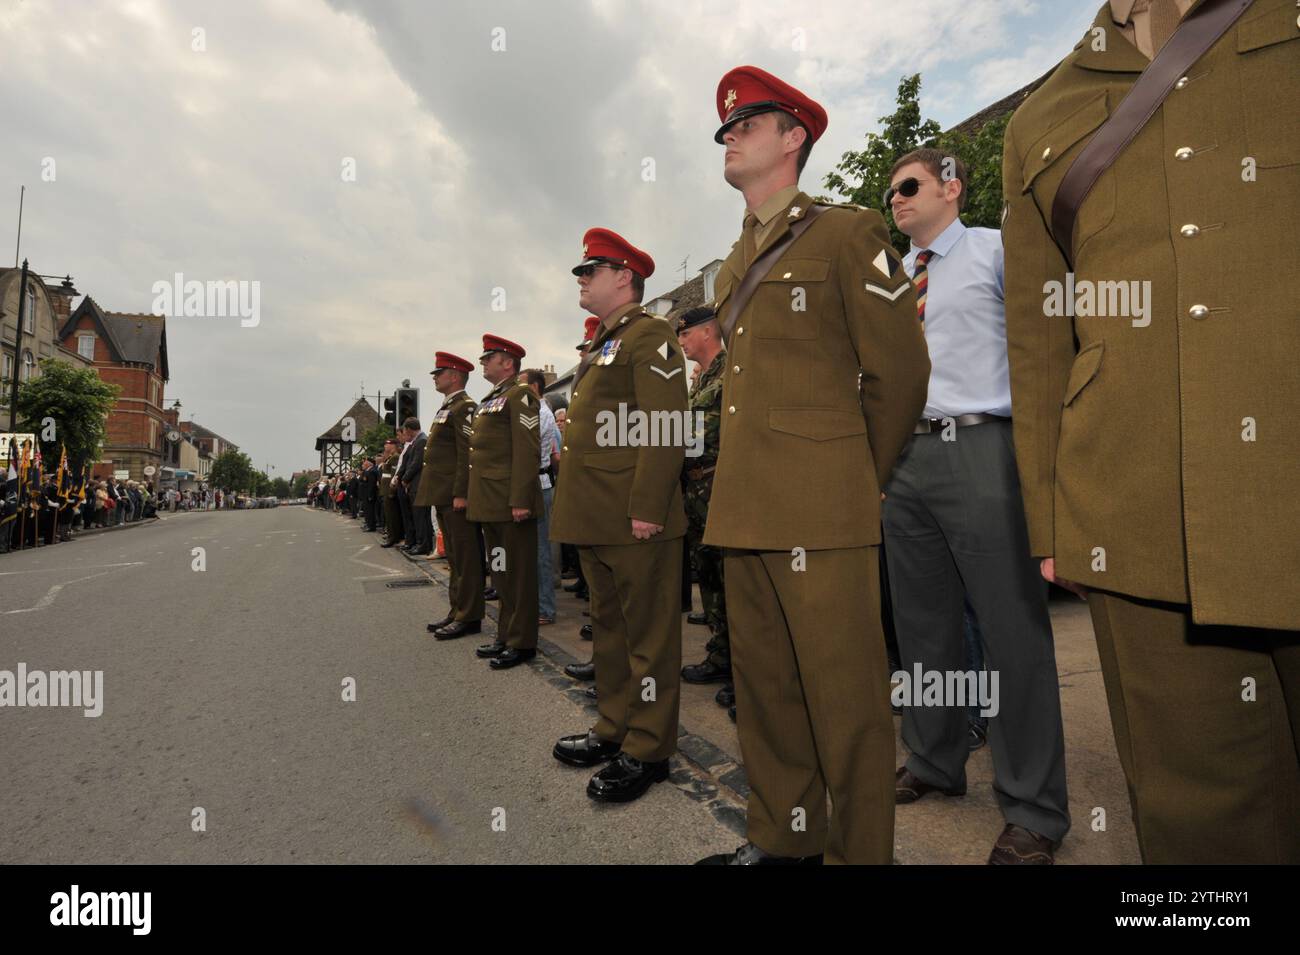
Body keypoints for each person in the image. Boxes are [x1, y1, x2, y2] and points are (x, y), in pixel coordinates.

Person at [1002, 0, 1299, 864]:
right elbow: (1040, 336)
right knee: (1196, 825)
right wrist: (1054, 520)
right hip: (1135, 501)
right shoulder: (1042, 114)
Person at [697, 66, 930, 865]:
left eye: (747, 123)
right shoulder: (735, 261)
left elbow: (899, 372)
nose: (730, 135)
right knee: (766, 698)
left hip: (824, 508)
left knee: (848, 706)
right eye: (725, 128)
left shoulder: (847, 231)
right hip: (745, 506)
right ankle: (785, 840)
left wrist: (854, 478)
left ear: (794, 136)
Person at [880, 147, 1070, 864]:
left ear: (950, 188)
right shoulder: (894, 278)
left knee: (1012, 631)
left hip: (985, 448)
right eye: (890, 192)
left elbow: (1044, 348)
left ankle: (1034, 809)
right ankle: (933, 758)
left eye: (909, 186)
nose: (896, 200)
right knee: (924, 628)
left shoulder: (996, 251)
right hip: (907, 458)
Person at [550, 228, 689, 804]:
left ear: (625, 277)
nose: (581, 279)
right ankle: (613, 728)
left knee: (649, 638)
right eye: (581, 271)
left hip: (635, 517)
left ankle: (650, 746)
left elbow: (665, 426)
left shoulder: (651, 335)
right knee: (609, 631)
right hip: (595, 515)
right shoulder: (602, 346)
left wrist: (648, 509)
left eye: (591, 271)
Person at [467, 334, 544, 670]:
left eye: (489, 357)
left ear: (508, 363)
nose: (483, 362)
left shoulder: (521, 395)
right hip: (490, 502)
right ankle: (505, 634)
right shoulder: (492, 398)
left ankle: (522, 642)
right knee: (500, 574)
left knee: (518, 575)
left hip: (510, 502)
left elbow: (527, 450)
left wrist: (521, 499)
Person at [675, 305, 733, 716]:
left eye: (685, 333)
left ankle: (744, 672)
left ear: (708, 331)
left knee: (734, 582)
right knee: (709, 578)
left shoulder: (732, 372)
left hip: (721, 486)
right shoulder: (699, 384)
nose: (680, 341)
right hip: (696, 488)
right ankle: (721, 654)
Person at [423, 352, 486, 640]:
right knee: (455, 557)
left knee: (466, 556)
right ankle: (456, 609)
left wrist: (462, 492)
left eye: (439, 372)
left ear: (455, 376)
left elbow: (467, 452)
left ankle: (469, 615)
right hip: (443, 493)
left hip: (455, 494)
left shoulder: (464, 407)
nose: (435, 377)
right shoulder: (447, 407)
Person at [521, 368, 561, 627]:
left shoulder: (542, 415)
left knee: (540, 551)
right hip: (533, 483)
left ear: (534, 387)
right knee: (531, 550)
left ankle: (546, 607)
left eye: (521, 384)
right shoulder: (534, 413)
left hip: (539, 484)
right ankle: (536, 603)